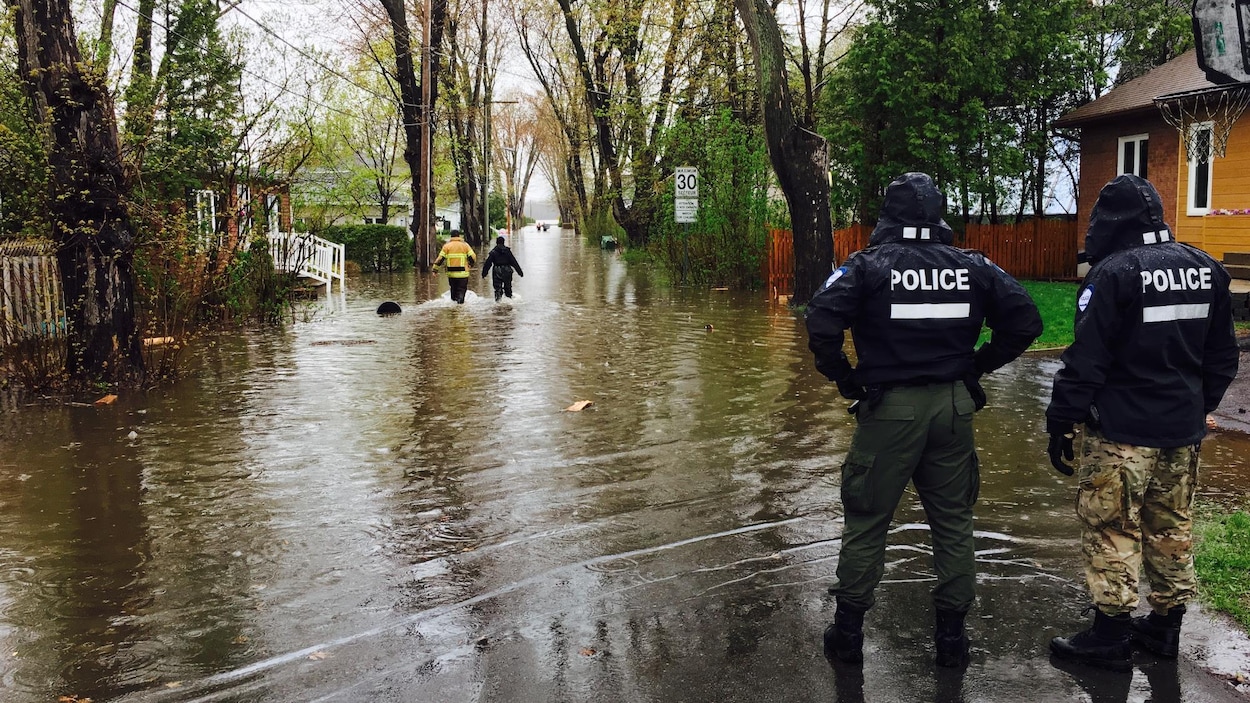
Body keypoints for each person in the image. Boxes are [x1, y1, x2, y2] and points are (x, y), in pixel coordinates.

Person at [805, 172, 1042, 668]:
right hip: (954, 408)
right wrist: (975, 366)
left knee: (868, 519)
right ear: (938, 214)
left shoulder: (867, 266)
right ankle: (952, 641)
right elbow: (1026, 320)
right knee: (954, 522)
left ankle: (847, 635)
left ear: (888, 214)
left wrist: (846, 380)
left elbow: (821, 319)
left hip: (889, 409)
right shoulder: (973, 265)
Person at [1046, 174, 1239, 671]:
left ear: (1110, 220)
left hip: (1120, 434)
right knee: (1170, 526)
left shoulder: (1113, 274)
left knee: (1112, 527)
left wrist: (1061, 420)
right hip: (1181, 431)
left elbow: (1085, 362)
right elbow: (1222, 358)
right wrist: (1196, 407)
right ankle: (1166, 628)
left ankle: (1109, 635)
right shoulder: (1205, 268)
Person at [433, 232, 477, 304]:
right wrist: (471, 264)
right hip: (463, 274)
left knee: (453, 290)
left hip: (451, 274)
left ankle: (453, 309)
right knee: (461, 290)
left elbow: (440, 259)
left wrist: (435, 269)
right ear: (459, 236)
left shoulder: (446, 246)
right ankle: (460, 305)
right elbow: (473, 257)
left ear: (451, 236)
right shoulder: (465, 245)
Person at [480, 235, 524, 301]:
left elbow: (488, 263)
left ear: (497, 243)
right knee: (508, 288)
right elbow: (514, 262)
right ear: (503, 242)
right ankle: (509, 302)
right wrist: (520, 272)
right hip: (507, 270)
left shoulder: (493, 252)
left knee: (497, 289)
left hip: (497, 270)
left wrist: (484, 273)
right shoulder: (507, 251)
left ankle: (498, 302)